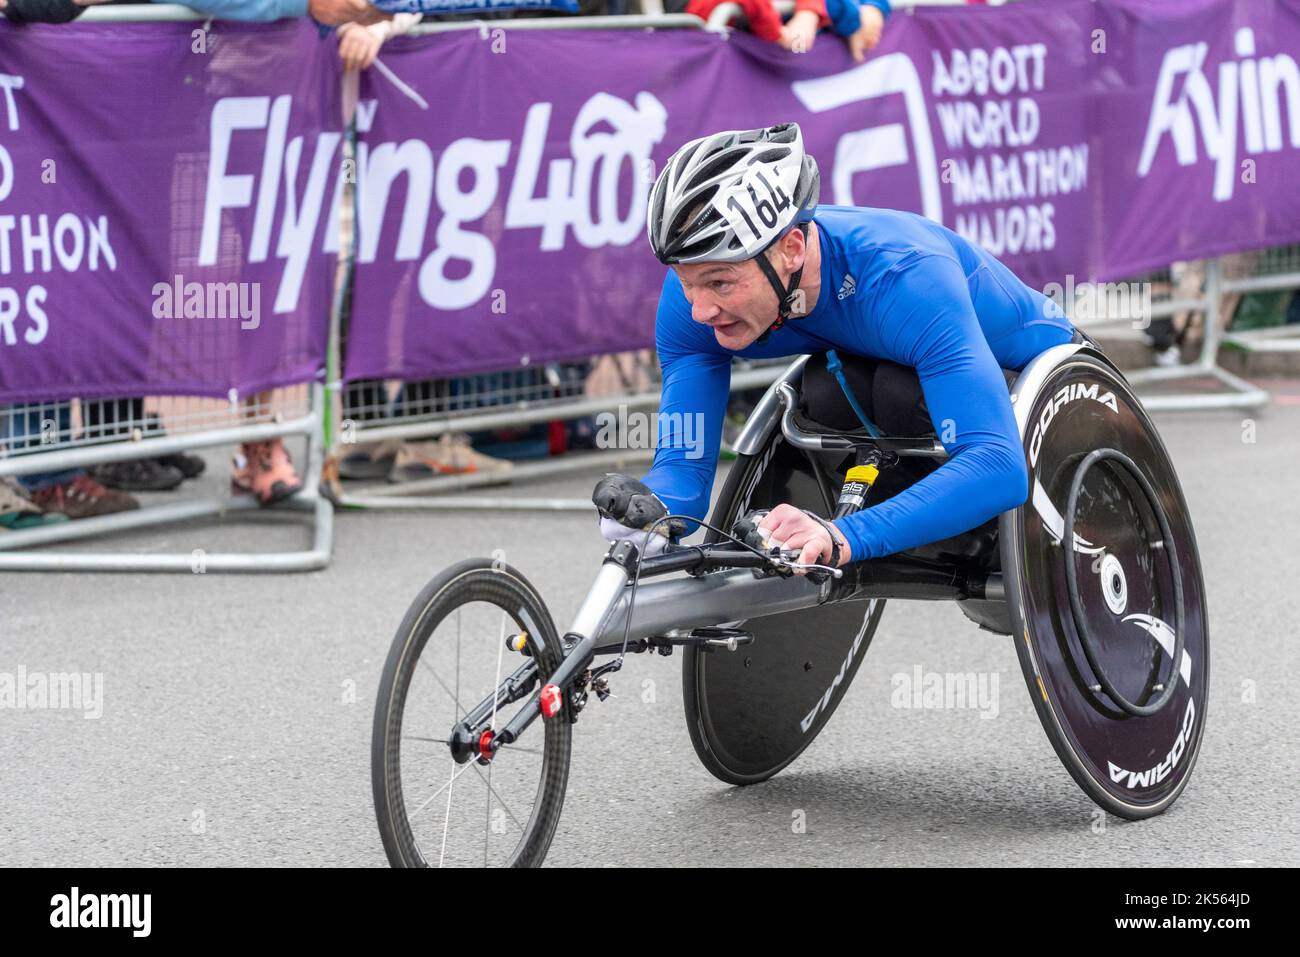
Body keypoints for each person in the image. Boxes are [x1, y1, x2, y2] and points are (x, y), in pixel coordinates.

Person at [593, 123, 1076, 572]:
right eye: (686, 281)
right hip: (884, 371)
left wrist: (841, 535)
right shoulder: (694, 298)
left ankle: (961, 533)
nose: (699, 309)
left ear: (792, 250)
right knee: (825, 392)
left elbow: (996, 465)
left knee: (892, 390)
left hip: (1043, 379)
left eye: (720, 283)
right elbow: (683, 470)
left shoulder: (906, 278)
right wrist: (653, 509)